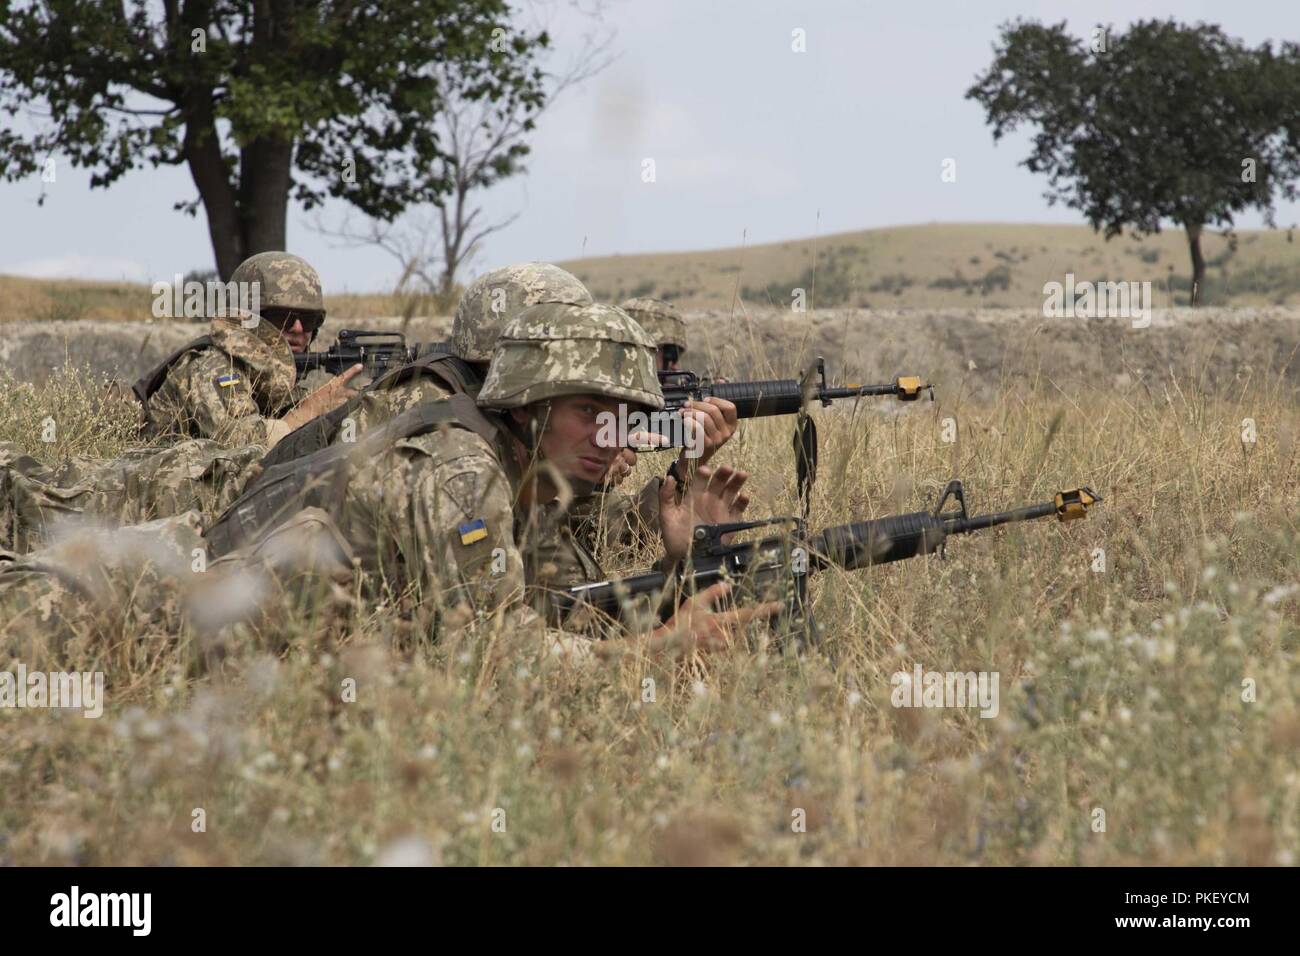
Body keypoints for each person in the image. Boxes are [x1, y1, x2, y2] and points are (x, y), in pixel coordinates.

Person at [136, 251, 362, 448]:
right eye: (282, 317)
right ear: (246, 318)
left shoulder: (273, 384)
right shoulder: (213, 366)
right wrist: (308, 412)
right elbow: (239, 442)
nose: (298, 328)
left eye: (309, 319)